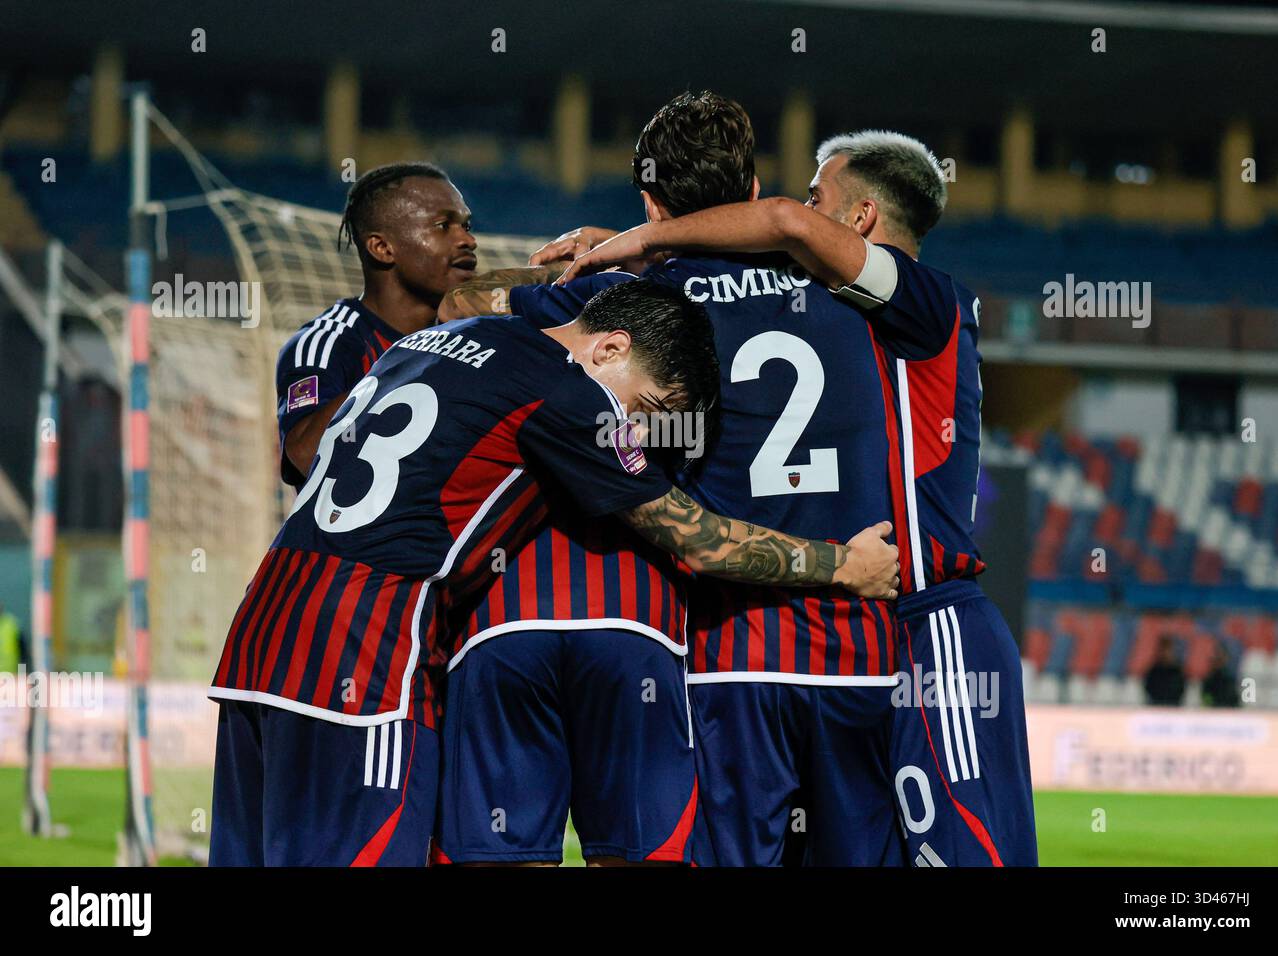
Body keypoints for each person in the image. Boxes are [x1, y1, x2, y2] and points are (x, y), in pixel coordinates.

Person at [207, 279, 898, 866]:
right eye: (646, 408)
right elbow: (701, 544)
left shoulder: (429, 342)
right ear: (611, 347)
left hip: (263, 629)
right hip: (367, 645)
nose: (632, 428)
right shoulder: (567, 393)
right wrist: (845, 566)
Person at [440, 93, 910, 867]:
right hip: (857, 642)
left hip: (730, 645)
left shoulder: (634, 304)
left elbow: (460, 302)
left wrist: (619, 251)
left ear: (650, 203)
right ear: (755, 191)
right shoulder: (849, 290)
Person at [562, 127, 1040, 866]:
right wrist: (662, 252)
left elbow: (780, 221)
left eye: (821, 198)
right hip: (866, 624)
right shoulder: (835, 306)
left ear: (858, 221)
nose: (798, 213)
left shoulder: (923, 301)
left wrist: (642, 240)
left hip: (931, 620)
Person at [277, 162, 478, 488]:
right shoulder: (328, 341)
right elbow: (303, 452)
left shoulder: (477, 337)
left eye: (466, 225)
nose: (467, 240)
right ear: (382, 248)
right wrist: (411, 362)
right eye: (443, 226)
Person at [1144, 634, 1186, 706]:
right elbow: (1148, 688)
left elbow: (1181, 689)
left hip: (1173, 706)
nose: (1165, 653)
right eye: (1163, 650)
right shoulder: (1154, 670)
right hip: (1155, 705)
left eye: (1168, 650)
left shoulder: (1177, 670)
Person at [1201, 641, 1240, 708]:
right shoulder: (1209, 679)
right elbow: (1206, 699)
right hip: (1212, 713)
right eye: (1217, 655)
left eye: (1222, 655)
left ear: (1226, 658)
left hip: (1228, 713)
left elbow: (1234, 701)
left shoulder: (1230, 679)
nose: (1219, 658)